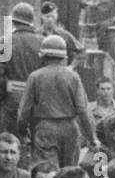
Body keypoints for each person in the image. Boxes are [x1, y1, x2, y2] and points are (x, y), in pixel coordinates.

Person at [17, 35, 95, 169]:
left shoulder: (35, 77)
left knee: (48, 172)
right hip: (70, 129)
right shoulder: (73, 77)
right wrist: (91, 137)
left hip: (45, 129)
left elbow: (24, 110)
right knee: (69, 174)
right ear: (64, 57)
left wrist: (23, 132)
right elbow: (82, 110)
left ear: (42, 57)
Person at [0, 3, 45, 136]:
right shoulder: (43, 41)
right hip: (37, 97)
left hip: (13, 97)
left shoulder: (6, 41)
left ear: (14, 21)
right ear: (31, 22)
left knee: (15, 137)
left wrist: (3, 97)